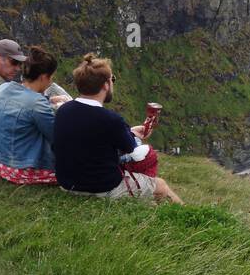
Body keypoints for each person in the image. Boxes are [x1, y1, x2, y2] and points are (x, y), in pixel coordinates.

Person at [53, 53, 182, 203]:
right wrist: (131, 135)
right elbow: (130, 148)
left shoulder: (63, 111)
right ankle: (189, 218)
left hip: (68, 184)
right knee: (160, 186)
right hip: (101, 188)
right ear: (106, 85)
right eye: (112, 79)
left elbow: (89, 136)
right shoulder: (110, 119)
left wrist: (129, 132)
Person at [0, 46, 61, 186]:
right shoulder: (37, 103)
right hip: (24, 170)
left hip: (2, 166)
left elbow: (24, 102)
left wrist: (48, 101)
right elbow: (56, 136)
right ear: (43, 77)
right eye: (50, 78)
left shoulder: (4, 88)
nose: (50, 82)